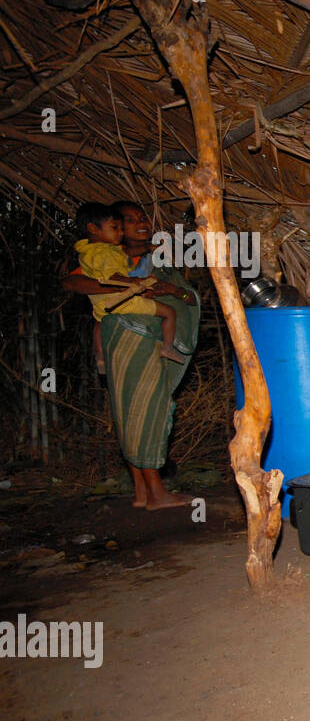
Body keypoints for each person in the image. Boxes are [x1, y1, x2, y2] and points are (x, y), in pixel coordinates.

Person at [63, 201, 200, 510]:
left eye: (142, 218)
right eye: (127, 220)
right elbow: (71, 282)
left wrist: (167, 289)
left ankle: (143, 492)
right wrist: (124, 286)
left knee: (139, 411)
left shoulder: (159, 261)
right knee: (139, 412)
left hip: (146, 337)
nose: (139, 224)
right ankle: (155, 493)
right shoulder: (107, 258)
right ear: (114, 227)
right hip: (127, 338)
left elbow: (188, 297)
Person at [72, 203, 185, 365]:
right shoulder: (106, 254)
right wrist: (133, 282)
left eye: (143, 219)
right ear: (93, 228)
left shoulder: (91, 251)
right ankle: (168, 347)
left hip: (101, 304)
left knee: (100, 322)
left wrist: (147, 248)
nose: (121, 232)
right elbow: (113, 275)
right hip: (123, 300)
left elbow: (124, 254)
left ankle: (101, 358)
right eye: (115, 227)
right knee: (169, 312)